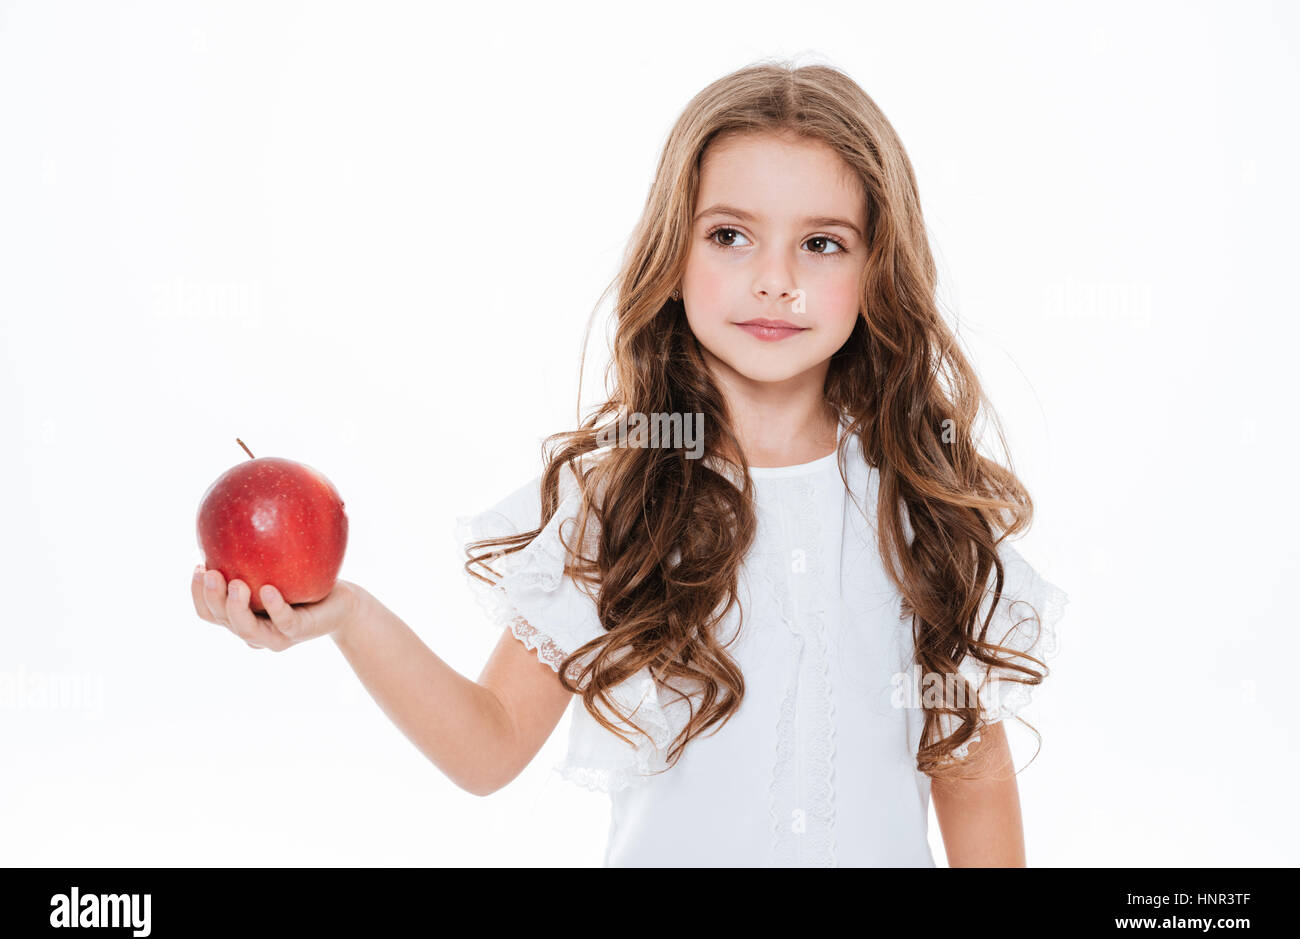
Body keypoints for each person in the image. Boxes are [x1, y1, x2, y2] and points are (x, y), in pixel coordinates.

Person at [190, 58, 1068, 867]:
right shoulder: (621, 498)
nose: (774, 279)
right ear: (674, 253)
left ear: (878, 269)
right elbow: (488, 745)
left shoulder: (923, 507)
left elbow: (971, 775)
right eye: (730, 235)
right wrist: (345, 614)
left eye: (822, 243)